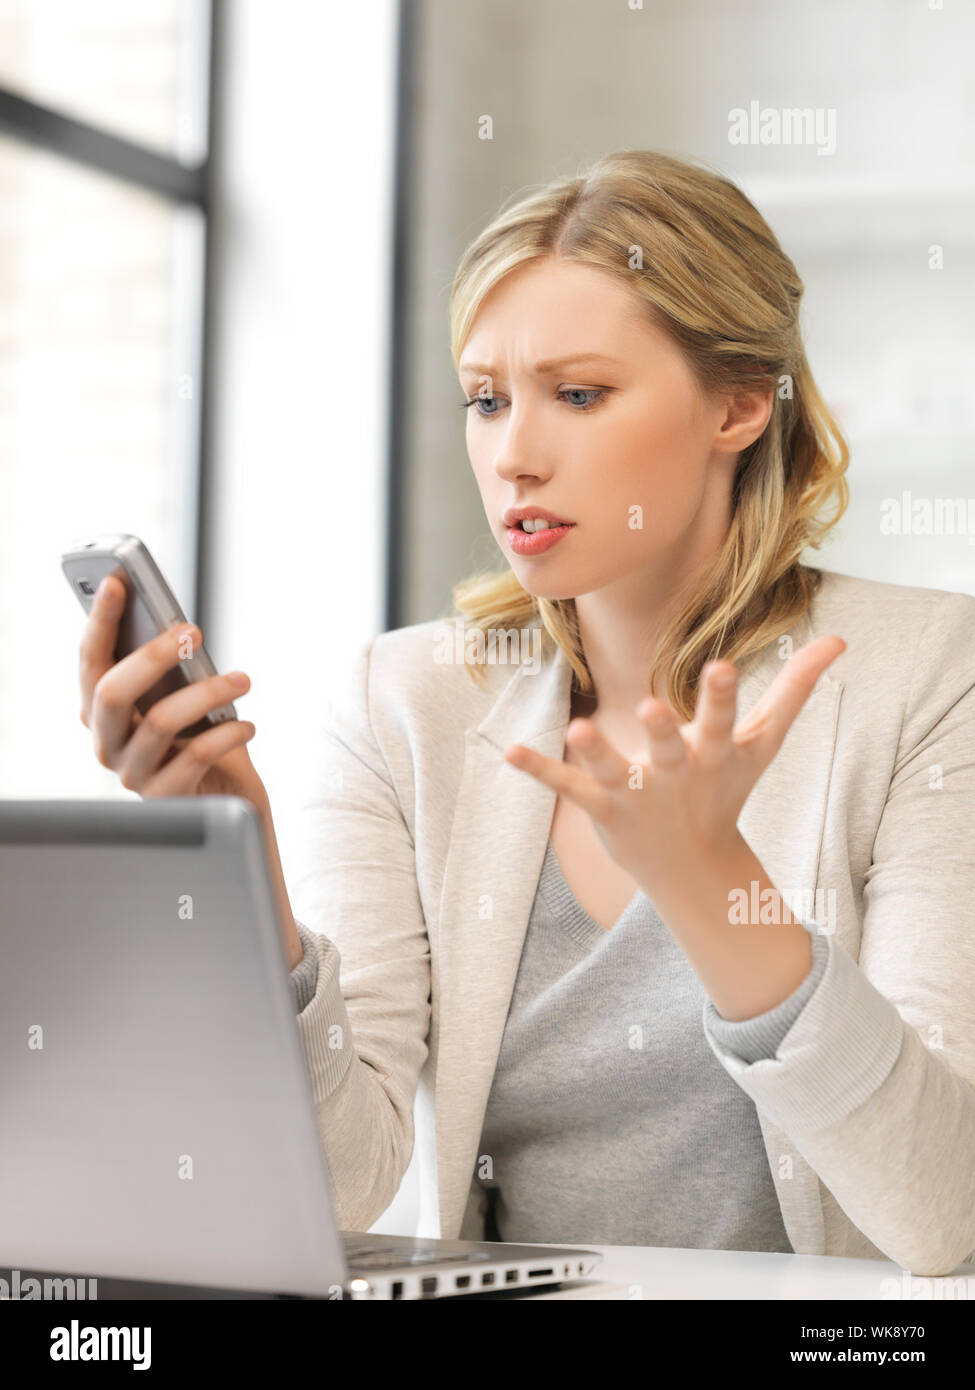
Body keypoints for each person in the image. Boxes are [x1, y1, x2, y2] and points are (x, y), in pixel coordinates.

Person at [78, 149, 975, 1276]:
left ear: (741, 404)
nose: (513, 455)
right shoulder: (404, 703)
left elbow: (942, 1208)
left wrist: (714, 883)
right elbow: (341, 1179)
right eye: (487, 400)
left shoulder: (932, 673)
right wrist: (232, 853)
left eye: (580, 395)